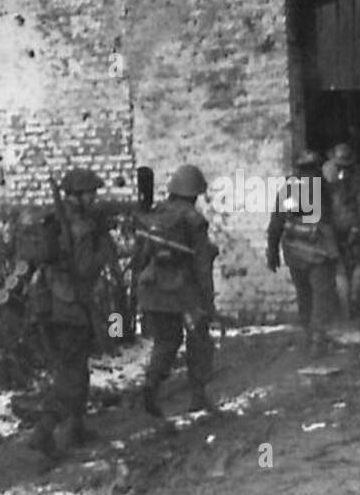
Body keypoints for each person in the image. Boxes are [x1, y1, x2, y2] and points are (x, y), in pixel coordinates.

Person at [26, 168, 117, 463]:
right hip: (70, 307)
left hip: (49, 302)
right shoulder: (79, 227)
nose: (94, 198)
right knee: (71, 375)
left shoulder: (55, 218)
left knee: (76, 367)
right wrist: (103, 243)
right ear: (77, 196)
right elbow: (86, 268)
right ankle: (44, 431)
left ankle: (76, 427)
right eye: (90, 193)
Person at [135, 164, 218, 416]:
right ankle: (198, 395)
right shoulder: (193, 221)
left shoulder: (154, 216)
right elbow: (202, 266)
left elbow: (141, 255)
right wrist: (207, 300)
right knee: (199, 340)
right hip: (184, 290)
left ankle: (151, 383)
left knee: (166, 341)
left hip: (153, 287)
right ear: (193, 194)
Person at [267, 151, 341, 356]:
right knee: (321, 296)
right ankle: (317, 342)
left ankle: (306, 336)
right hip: (318, 254)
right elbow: (335, 221)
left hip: (293, 252)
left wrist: (272, 252)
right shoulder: (323, 189)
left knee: (304, 295)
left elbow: (275, 224)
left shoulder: (287, 189)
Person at [324, 142, 360, 319]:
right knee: (359, 266)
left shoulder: (327, 180)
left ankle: (345, 309)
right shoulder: (357, 182)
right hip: (355, 229)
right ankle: (354, 300)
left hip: (333, 232)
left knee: (339, 270)